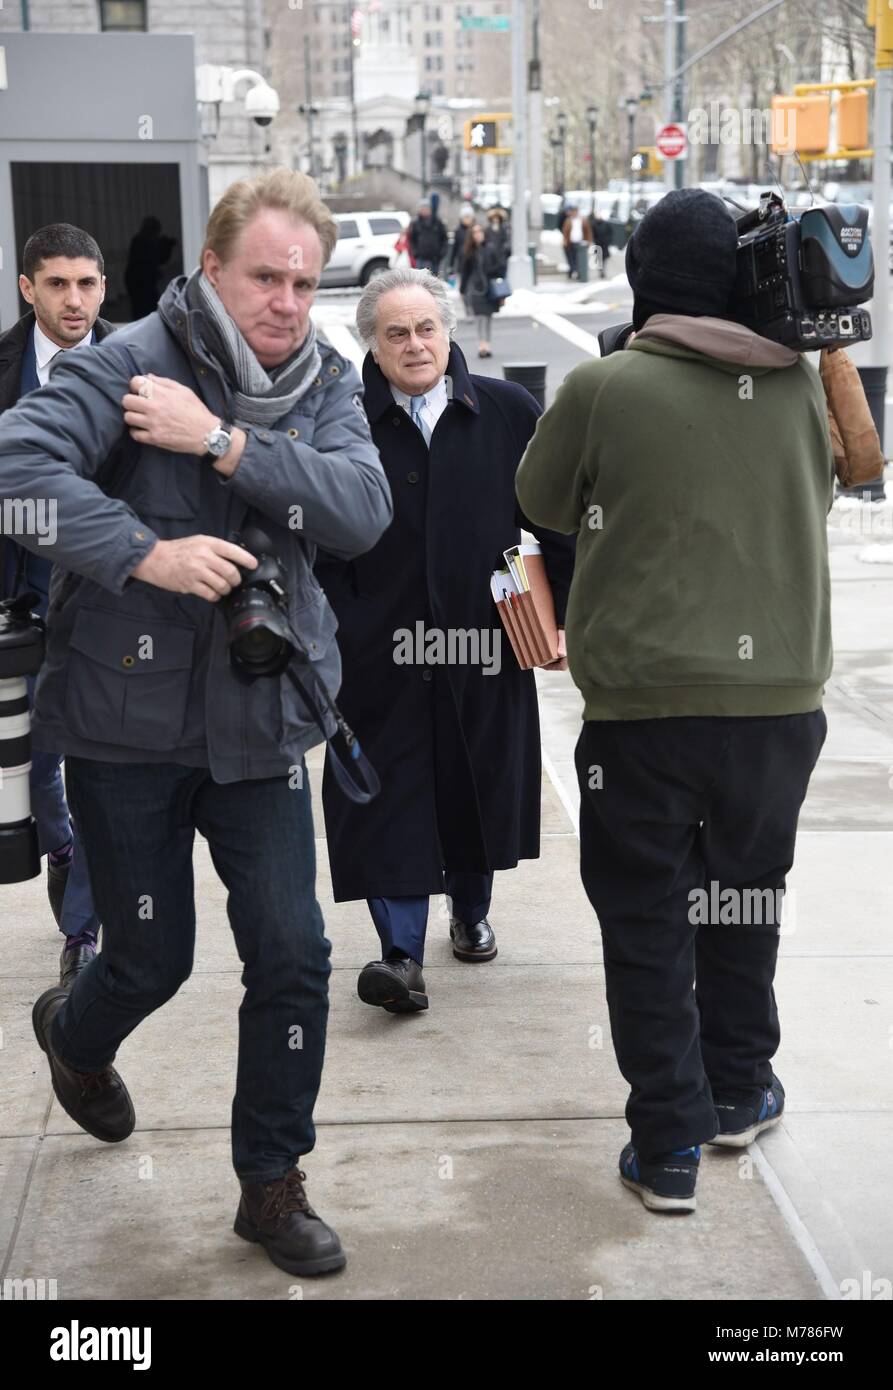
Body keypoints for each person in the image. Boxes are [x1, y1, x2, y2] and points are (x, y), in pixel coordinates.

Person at [0, 168, 392, 1275]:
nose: (283, 299)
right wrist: (145, 552)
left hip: (260, 726)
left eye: (303, 281)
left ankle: (270, 1186)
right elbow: (15, 475)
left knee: (295, 952)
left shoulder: (322, 381)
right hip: (127, 732)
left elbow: (360, 513)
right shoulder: (123, 364)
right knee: (149, 959)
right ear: (211, 268)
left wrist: (221, 441)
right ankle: (75, 1036)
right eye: (264, 274)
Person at [516, 188, 832, 1215]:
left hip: (641, 717)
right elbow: (820, 488)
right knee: (741, 901)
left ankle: (666, 1146)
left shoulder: (607, 384)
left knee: (647, 922)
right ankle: (739, 1089)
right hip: (777, 707)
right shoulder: (793, 390)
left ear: (644, 276)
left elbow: (540, 500)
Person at [315, 268, 576, 1016]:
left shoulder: (506, 411)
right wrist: (340, 626)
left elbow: (555, 524)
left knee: (472, 780)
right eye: (395, 333)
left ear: (449, 330)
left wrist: (562, 619)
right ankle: (398, 955)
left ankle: (468, 912)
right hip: (376, 651)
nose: (413, 344)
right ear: (371, 340)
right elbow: (313, 537)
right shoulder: (341, 421)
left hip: (482, 643)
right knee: (387, 794)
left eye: (425, 328)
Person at [0, 223, 111, 987]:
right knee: (40, 766)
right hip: (25, 603)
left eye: (88, 284)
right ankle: (62, 846)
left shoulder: (137, 365)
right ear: (27, 288)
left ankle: (83, 930)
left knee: (104, 768)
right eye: (59, 284)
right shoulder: (4, 371)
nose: (75, 300)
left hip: (115, 605)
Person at [462, 222, 506, 358]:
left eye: (480, 232)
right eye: (475, 232)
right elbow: (465, 272)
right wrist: (462, 289)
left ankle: (487, 344)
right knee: (479, 317)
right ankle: (482, 345)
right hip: (475, 288)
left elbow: (500, 267)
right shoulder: (469, 252)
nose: (478, 235)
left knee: (488, 317)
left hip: (489, 289)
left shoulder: (490, 248)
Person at [124, 215, 178, 320]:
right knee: (146, 310)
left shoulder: (138, 240)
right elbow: (159, 259)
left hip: (136, 280)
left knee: (141, 310)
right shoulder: (146, 241)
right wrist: (167, 245)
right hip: (141, 281)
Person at [408, 198, 448, 275]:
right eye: (422, 208)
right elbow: (412, 239)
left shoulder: (437, 222)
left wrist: (441, 253)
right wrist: (415, 253)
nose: (424, 210)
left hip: (435, 259)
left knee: (433, 280)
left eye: (426, 208)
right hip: (421, 259)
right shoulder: (415, 223)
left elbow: (444, 239)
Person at [561, 205, 592, 280]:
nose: (574, 213)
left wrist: (589, 241)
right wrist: (564, 240)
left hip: (580, 243)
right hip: (570, 242)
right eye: (573, 212)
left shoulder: (583, 220)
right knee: (571, 259)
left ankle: (578, 273)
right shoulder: (568, 220)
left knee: (579, 259)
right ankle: (572, 271)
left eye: (576, 212)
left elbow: (588, 232)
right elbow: (565, 231)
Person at [448, 202, 475, 284]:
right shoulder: (458, 231)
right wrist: (451, 265)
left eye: (469, 217)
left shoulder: (475, 230)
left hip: (474, 262)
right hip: (462, 263)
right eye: (465, 217)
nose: (467, 219)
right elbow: (454, 249)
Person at [588, 210, 612, 279]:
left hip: (605, 244)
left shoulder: (607, 224)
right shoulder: (594, 224)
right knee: (599, 258)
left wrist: (608, 241)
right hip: (598, 244)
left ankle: (603, 271)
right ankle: (601, 271)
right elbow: (592, 234)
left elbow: (610, 233)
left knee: (604, 258)